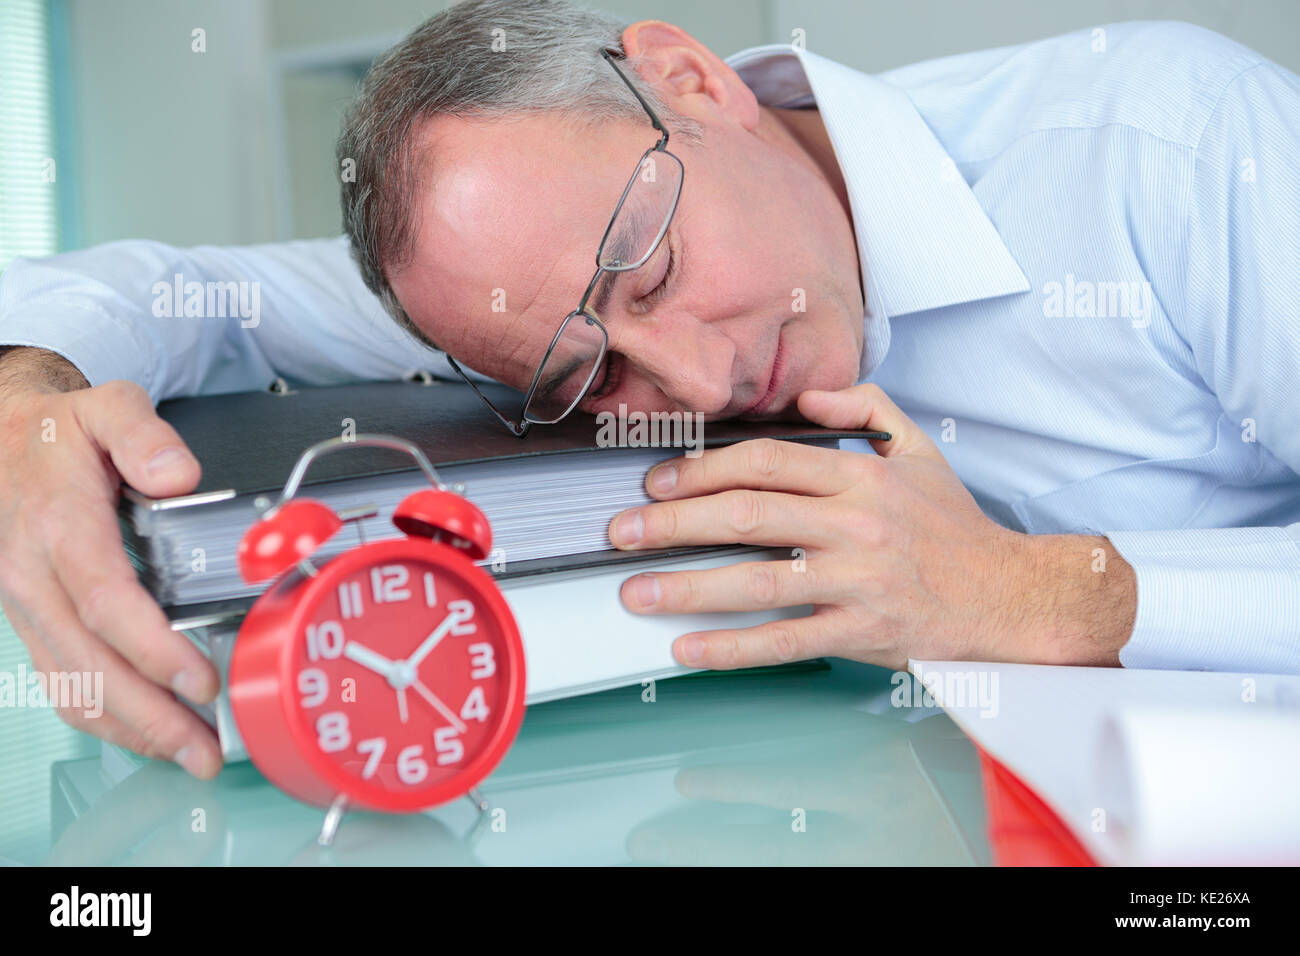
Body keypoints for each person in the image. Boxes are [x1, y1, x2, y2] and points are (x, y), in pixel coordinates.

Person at [1, 0, 1297, 779]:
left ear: (692, 79)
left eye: (653, 268)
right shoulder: (510, 286)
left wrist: (1041, 592)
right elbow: (173, 289)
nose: (696, 379)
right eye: (588, 372)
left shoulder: (1167, 154)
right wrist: (21, 408)